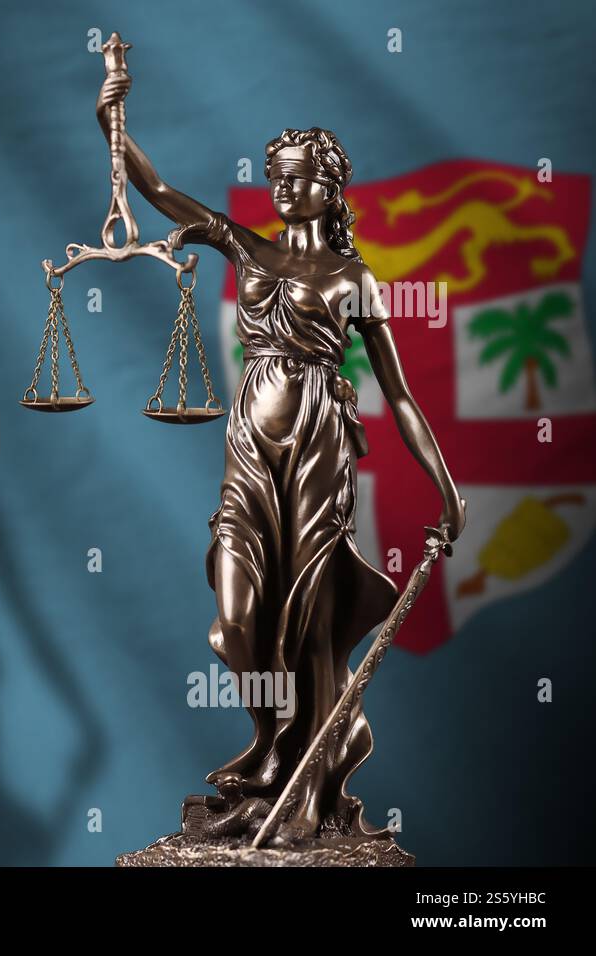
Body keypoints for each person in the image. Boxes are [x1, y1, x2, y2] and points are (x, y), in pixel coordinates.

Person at [97, 73, 466, 841]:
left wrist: (447, 490)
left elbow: (397, 394)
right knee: (237, 616)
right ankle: (273, 749)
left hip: (317, 444)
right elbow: (161, 190)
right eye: (277, 178)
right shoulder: (245, 246)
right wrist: (114, 123)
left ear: (333, 188)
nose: (285, 189)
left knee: (310, 610)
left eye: (302, 179)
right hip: (250, 444)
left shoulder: (352, 279)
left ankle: (309, 772)